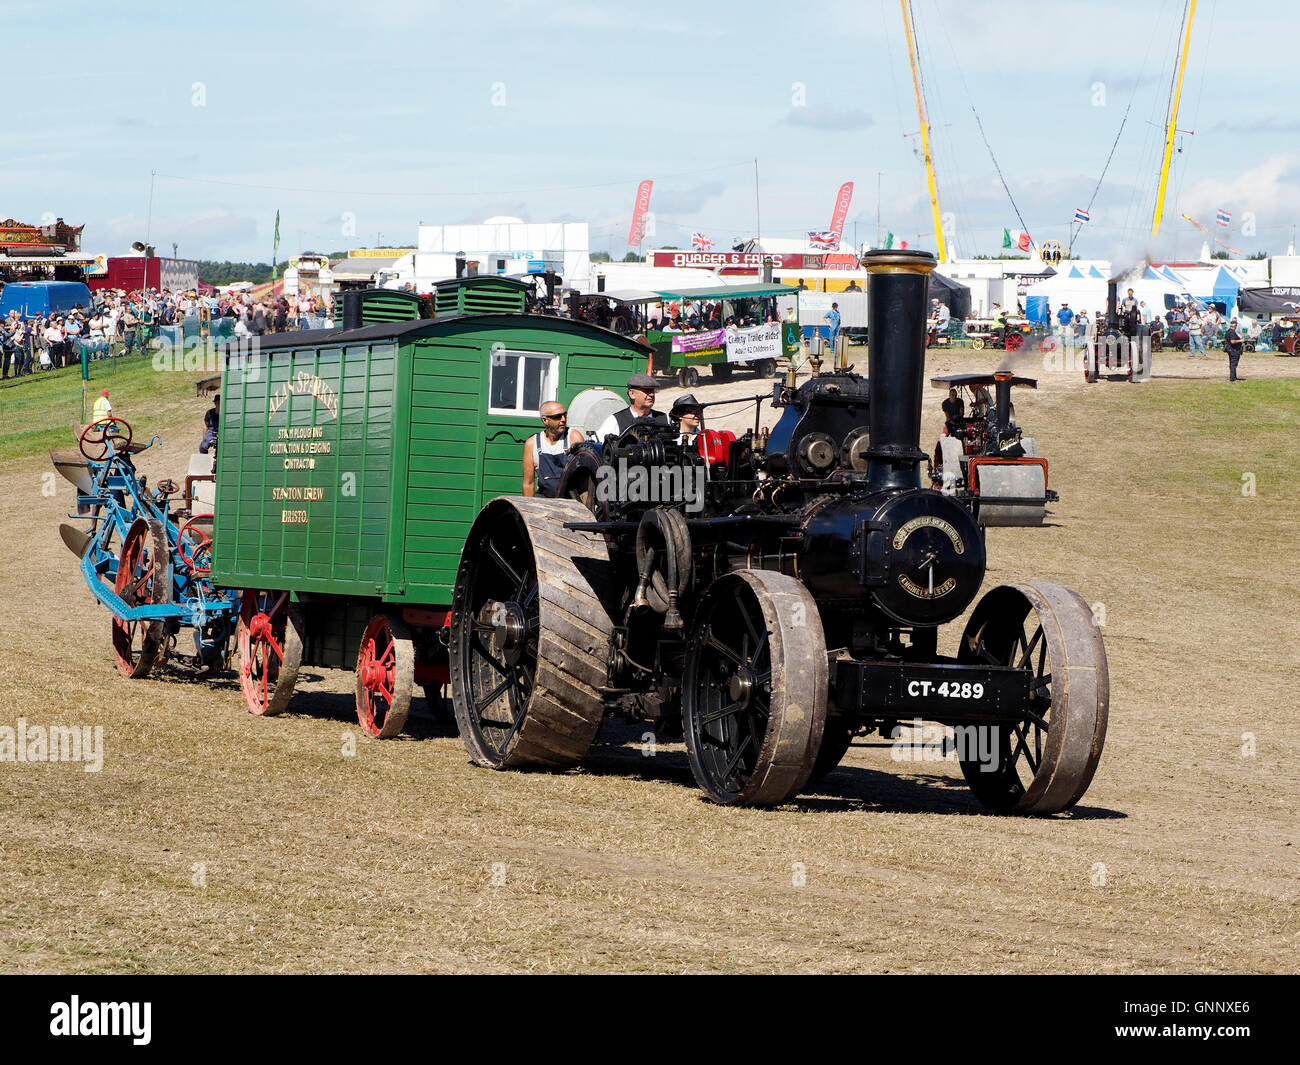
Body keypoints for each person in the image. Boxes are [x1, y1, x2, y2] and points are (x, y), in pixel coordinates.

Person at [522, 400, 583, 497]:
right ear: (545, 420)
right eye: (558, 416)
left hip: (570, 503)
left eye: (564, 415)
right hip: (544, 503)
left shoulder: (573, 437)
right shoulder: (532, 444)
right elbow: (528, 484)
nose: (563, 419)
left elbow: (583, 480)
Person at [595, 373, 670, 439]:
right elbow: (596, 446)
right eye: (646, 391)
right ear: (632, 394)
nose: (652, 394)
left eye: (652, 391)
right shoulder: (616, 420)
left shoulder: (664, 419)